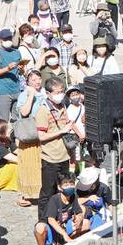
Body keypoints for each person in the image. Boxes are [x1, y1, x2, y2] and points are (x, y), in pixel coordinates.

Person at [34, 76, 75, 220]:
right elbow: (41, 136)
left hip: (64, 156)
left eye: (62, 91)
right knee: (47, 192)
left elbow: (68, 125)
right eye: (57, 92)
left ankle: (61, 217)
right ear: (48, 93)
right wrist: (62, 131)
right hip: (50, 158)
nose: (60, 94)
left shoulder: (62, 106)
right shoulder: (42, 111)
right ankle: (43, 222)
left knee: (63, 190)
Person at [34, 171, 83, 245]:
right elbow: (51, 220)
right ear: (59, 187)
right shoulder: (54, 199)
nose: (69, 187)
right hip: (51, 227)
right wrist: (64, 234)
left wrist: (79, 218)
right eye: (66, 185)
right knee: (39, 227)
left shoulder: (73, 197)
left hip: (63, 225)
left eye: (71, 184)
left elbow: (79, 211)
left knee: (86, 223)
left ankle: (64, 242)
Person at [14, 70, 44, 207]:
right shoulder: (23, 95)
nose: (37, 81)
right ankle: (24, 194)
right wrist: (31, 95)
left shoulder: (45, 93)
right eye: (33, 80)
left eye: (39, 78)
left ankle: (40, 192)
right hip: (28, 133)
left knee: (40, 164)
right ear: (27, 82)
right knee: (27, 164)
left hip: (42, 133)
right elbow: (24, 112)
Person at [0, 29, 23, 121]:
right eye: (5, 39)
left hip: (17, 89)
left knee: (17, 118)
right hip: (3, 91)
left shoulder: (17, 52)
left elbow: (21, 72)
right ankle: (3, 135)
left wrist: (22, 69)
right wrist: (8, 68)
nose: (8, 41)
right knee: (3, 120)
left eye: (9, 38)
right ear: (0, 40)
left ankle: (16, 135)